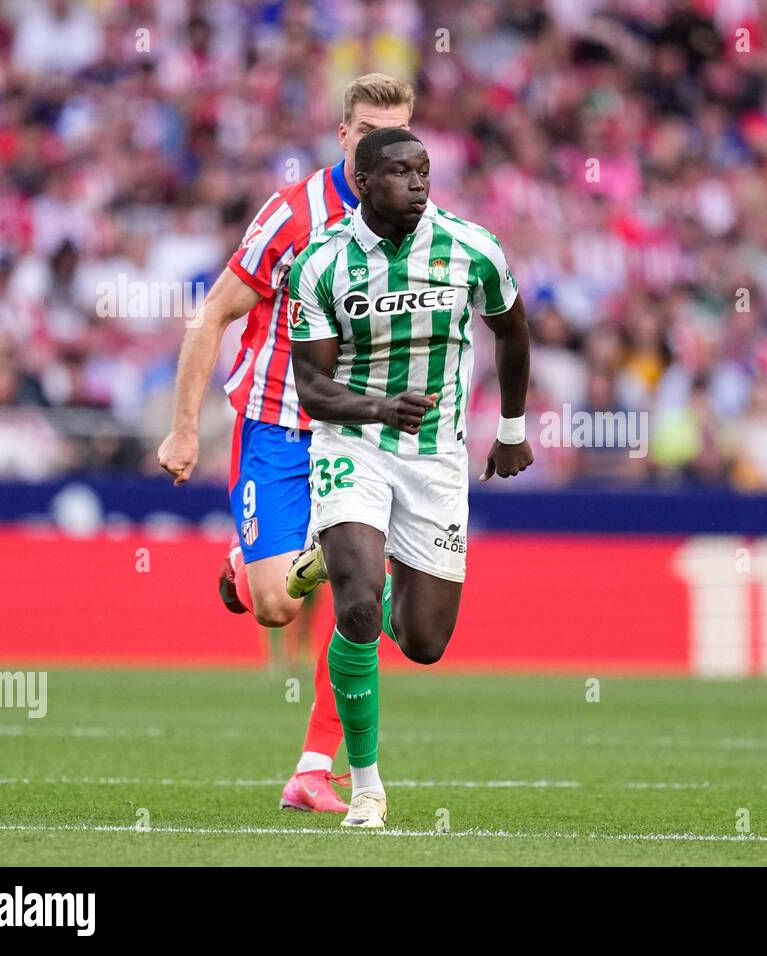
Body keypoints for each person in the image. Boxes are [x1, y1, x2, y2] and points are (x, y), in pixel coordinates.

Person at [155, 74, 415, 813]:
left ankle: (312, 767)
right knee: (276, 607)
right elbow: (212, 317)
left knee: (364, 590)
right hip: (277, 425)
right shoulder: (294, 215)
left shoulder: (419, 222)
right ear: (343, 137)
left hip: (360, 433)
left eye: (398, 137)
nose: (384, 149)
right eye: (369, 133)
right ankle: (246, 566)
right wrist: (182, 428)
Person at [286, 127, 533, 827]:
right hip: (353, 439)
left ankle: (339, 559)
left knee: (424, 643)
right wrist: (377, 407)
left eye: (424, 170)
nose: (418, 183)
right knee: (358, 606)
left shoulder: (472, 247)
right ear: (362, 183)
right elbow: (312, 387)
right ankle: (364, 784)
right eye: (399, 172)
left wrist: (511, 430)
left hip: (436, 454)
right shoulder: (321, 262)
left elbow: (513, 330)